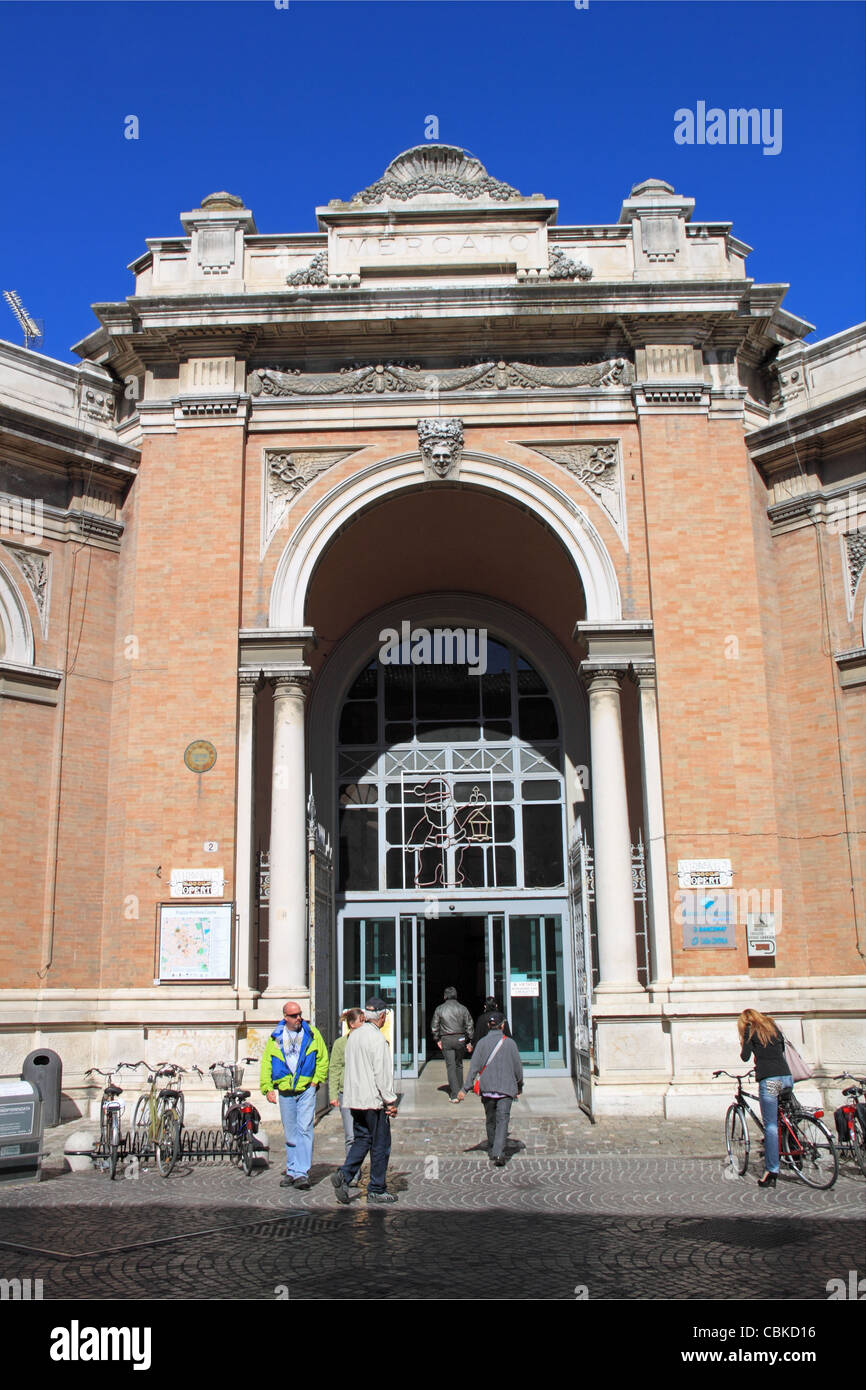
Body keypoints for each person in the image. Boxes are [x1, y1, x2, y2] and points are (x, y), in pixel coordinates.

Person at [330, 996, 398, 1205]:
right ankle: (376, 1188)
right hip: (372, 1100)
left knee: (362, 1139)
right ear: (381, 1016)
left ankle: (344, 1174)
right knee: (381, 1144)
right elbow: (381, 1073)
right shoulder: (376, 1039)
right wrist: (390, 1100)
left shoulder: (354, 1036)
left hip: (354, 1099)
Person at [260, 999, 329, 1190]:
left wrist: (316, 1081)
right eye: (294, 1015)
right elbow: (267, 1062)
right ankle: (291, 1170)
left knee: (305, 1129)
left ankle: (301, 1173)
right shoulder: (275, 1037)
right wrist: (267, 1088)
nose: (298, 1018)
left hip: (306, 1089)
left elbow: (322, 1058)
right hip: (285, 1091)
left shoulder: (312, 1034)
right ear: (285, 1017)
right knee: (290, 1132)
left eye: (300, 1014)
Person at [737, 1007, 793, 1188]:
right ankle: (793, 1151)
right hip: (786, 1077)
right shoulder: (772, 1026)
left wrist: (744, 1042)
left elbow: (745, 1057)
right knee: (782, 1117)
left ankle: (771, 1170)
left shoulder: (749, 1030)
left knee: (770, 1125)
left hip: (770, 1079)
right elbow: (782, 1048)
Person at [461, 1012, 523, 1166]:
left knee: (490, 1120)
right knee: (503, 1120)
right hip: (506, 1089)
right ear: (502, 1025)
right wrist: (519, 1085)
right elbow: (518, 1069)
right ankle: (498, 1153)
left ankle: (492, 1148)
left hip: (487, 1087)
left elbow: (473, 1067)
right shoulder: (510, 1043)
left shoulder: (481, 1043)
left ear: (489, 1025)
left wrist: (465, 1088)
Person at [329, 1008, 365, 1177]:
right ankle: (353, 1174)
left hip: (364, 1094)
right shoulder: (340, 1044)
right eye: (361, 1022)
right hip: (346, 1093)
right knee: (351, 1135)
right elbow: (334, 1068)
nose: (364, 1025)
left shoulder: (367, 1042)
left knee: (365, 1136)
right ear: (351, 1024)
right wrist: (333, 1095)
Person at [431, 985, 474, 1101]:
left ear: (445, 996)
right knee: (459, 1064)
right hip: (460, 1038)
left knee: (450, 1066)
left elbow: (434, 1026)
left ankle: (454, 1094)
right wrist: (469, 1040)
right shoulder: (463, 1008)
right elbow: (469, 1025)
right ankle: (460, 1089)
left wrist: (437, 1039)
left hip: (446, 1039)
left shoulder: (440, 1009)